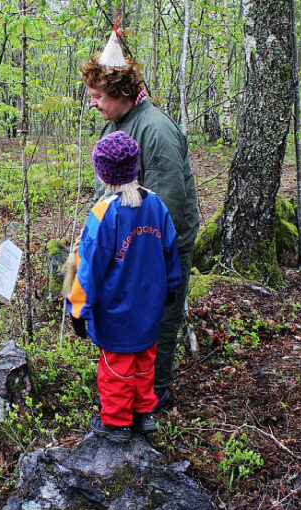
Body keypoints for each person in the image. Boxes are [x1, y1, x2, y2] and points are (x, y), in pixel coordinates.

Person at [81, 30, 199, 409]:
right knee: (127, 319)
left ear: (119, 92)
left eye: (99, 97)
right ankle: (125, 393)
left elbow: (170, 207)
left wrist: (141, 257)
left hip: (157, 249)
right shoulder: (116, 123)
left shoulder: (156, 130)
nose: (94, 104)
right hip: (128, 246)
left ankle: (154, 395)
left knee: (158, 320)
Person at [66, 131, 181, 442]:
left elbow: (87, 266)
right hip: (150, 306)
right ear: (134, 166)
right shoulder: (155, 204)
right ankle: (144, 414)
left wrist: (78, 309)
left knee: (116, 366)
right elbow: (171, 249)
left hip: (116, 311)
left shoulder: (105, 212)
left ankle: (117, 422)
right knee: (145, 360)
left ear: (103, 173)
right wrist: (172, 287)